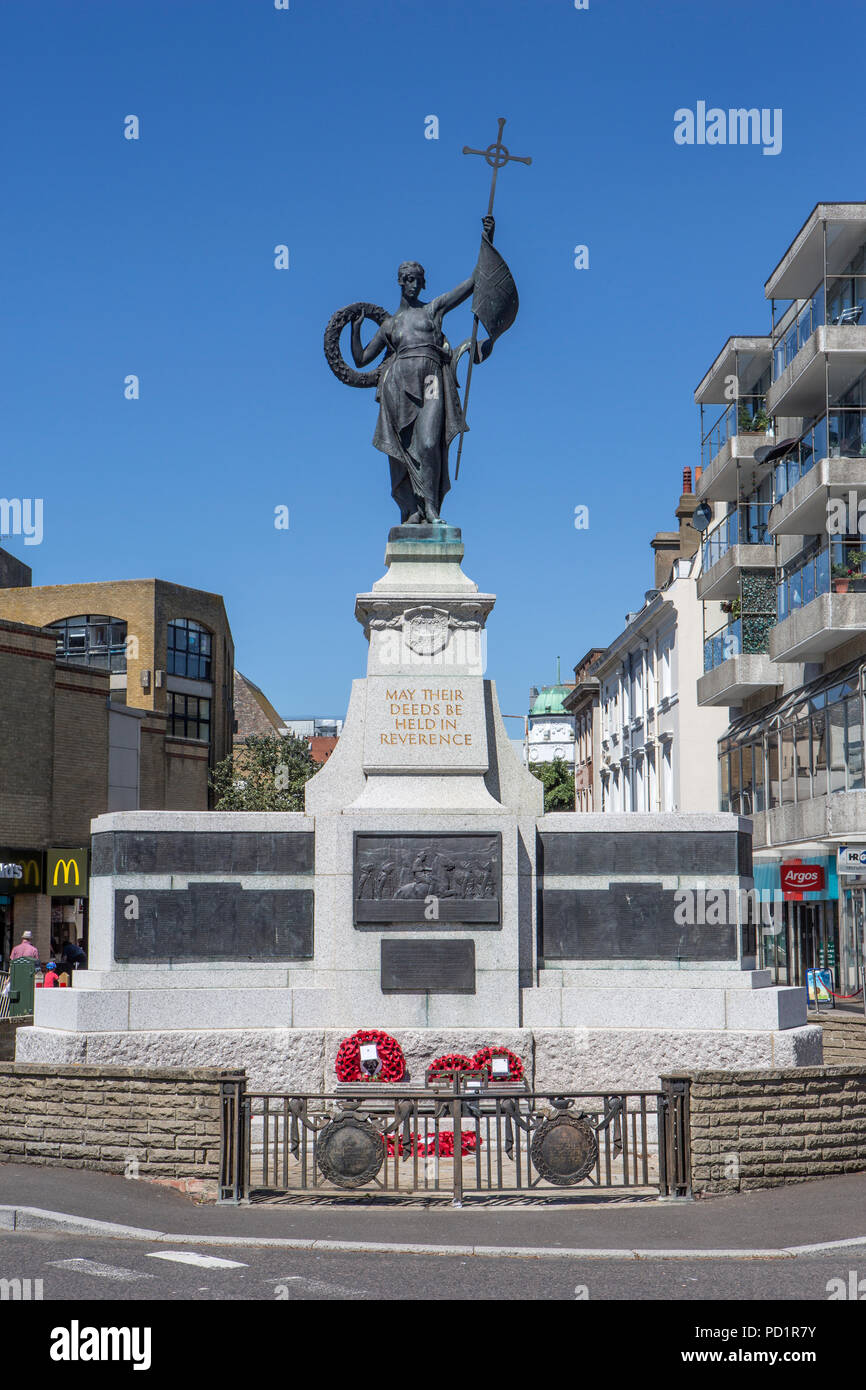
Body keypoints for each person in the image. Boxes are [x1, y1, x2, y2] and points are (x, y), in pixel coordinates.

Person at [350, 217, 495, 525]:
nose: (414, 284)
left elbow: (471, 284)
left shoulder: (432, 310)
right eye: (408, 279)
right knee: (403, 450)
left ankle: (431, 509)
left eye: (418, 279)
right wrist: (355, 330)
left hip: (430, 380)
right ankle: (413, 510)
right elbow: (362, 359)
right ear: (399, 282)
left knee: (429, 442)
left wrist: (487, 242)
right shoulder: (390, 325)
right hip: (398, 385)